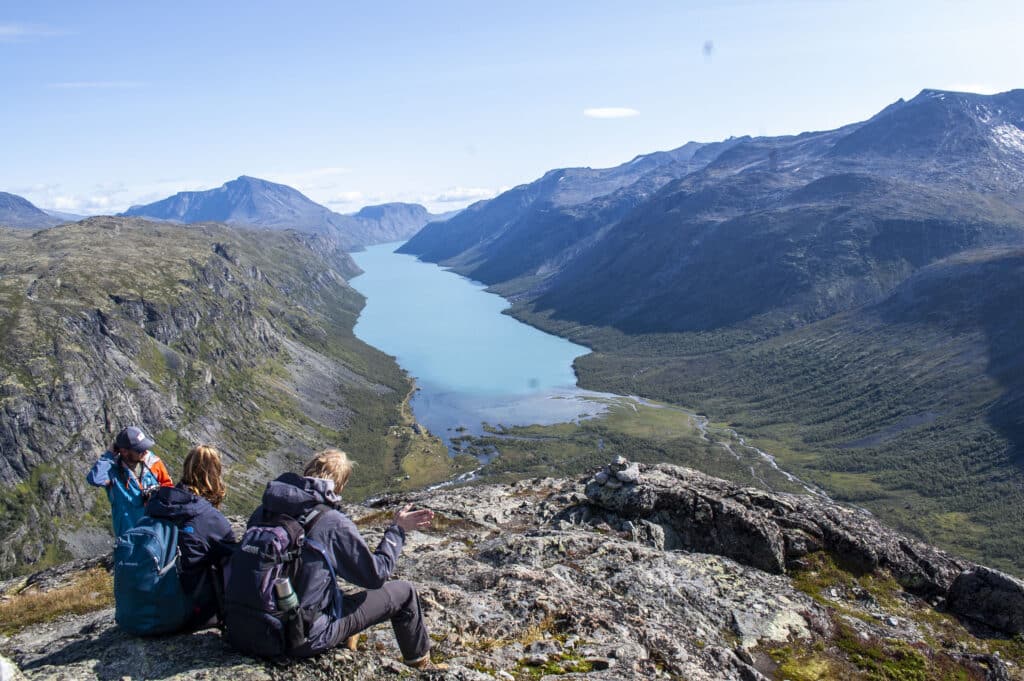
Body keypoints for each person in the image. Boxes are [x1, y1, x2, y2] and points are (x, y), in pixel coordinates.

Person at [241, 449, 441, 669]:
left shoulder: (263, 511)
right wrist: (398, 530)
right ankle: (421, 663)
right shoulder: (332, 522)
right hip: (300, 638)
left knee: (331, 590)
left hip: (247, 628)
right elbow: (376, 576)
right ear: (340, 485)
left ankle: (348, 635)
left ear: (306, 471)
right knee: (404, 593)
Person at [145, 444, 237, 629]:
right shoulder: (208, 517)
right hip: (192, 613)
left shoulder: (160, 504)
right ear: (215, 474)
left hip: (153, 606)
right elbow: (234, 555)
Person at [86, 426, 174, 538]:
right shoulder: (113, 471)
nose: (145, 451)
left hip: (156, 535)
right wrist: (109, 455)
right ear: (124, 451)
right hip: (129, 538)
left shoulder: (153, 462)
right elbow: (94, 479)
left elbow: (169, 488)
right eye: (140, 449)